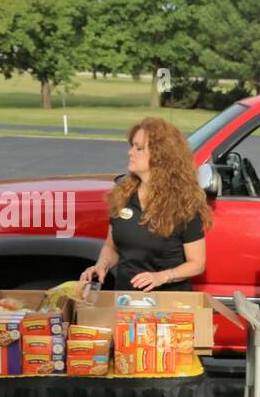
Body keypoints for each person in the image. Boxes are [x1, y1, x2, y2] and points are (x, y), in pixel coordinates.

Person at [81, 118, 209, 293]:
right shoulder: (122, 195)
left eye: (138, 148)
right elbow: (111, 247)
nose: (130, 152)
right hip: (126, 299)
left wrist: (161, 277)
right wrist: (101, 264)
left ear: (160, 156)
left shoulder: (183, 204)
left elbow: (197, 264)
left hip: (167, 305)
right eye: (132, 146)